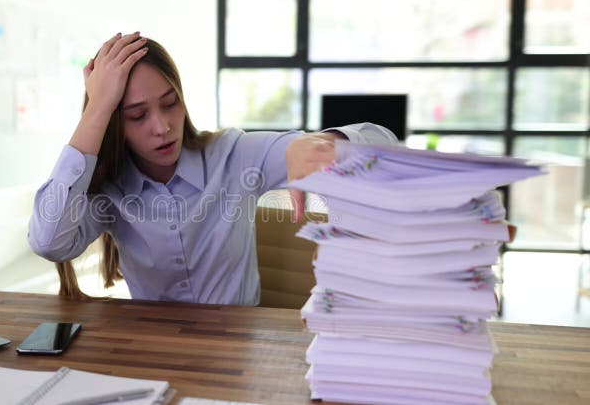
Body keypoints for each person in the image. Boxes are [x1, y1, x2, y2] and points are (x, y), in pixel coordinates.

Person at [28, 32, 397, 305]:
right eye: (137, 115)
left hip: (237, 353)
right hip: (153, 352)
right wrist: (97, 108)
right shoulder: (110, 189)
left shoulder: (232, 154)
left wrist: (324, 144)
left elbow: (382, 139)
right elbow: (48, 241)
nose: (162, 126)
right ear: (113, 123)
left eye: (170, 104)